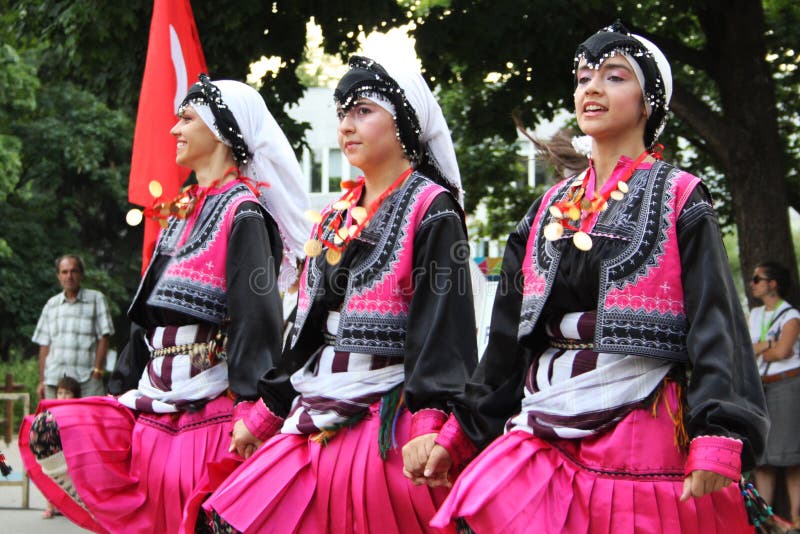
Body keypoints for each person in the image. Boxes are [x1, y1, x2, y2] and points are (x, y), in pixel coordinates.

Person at [420, 21, 768, 533]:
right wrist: (464, 430)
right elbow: (508, 334)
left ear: (649, 103)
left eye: (615, 76)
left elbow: (715, 320)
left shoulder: (680, 197)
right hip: (542, 421)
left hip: (641, 424)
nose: (593, 88)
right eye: (584, 78)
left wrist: (718, 431)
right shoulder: (546, 208)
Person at [200, 55, 478, 533]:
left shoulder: (433, 209)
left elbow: (443, 329)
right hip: (317, 409)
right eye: (342, 113)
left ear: (405, 121)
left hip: (386, 421)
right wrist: (268, 412)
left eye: (364, 111)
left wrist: (430, 421)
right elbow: (306, 331)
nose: (347, 125)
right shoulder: (334, 215)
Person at [19, 74, 309, 533]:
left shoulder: (245, 213)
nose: (175, 129)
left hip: (209, 419)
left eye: (187, 118)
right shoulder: (180, 214)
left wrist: (250, 410)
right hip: (154, 410)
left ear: (221, 131)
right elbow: (145, 322)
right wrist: (119, 395)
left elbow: (256, 320)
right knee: (51, 430)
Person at [749, 261, 800, 526]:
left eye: (757, 279)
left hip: (786, 385)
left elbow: (783, 352)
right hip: (760, 387)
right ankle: (765, 519)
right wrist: (769, 343)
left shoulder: (791, 315)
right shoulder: (755, 314)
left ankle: (796, 519)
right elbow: (746, 348)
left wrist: (765, 348)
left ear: (773, 284)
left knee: (791, 455)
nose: (752, 284)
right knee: (764, 456)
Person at [33, 254, 113, 399]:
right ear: (58, 276)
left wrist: (97, 371)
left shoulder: (96, 299)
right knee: (53, 415)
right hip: (54, 382)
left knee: (91, 414)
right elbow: (44, 345)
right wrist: (42, 381)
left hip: (87, 381)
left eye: (74, 271)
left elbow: (104, 337)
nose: (69, 276)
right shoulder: (51, 304)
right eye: (64, 272)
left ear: (81, 274)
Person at [41, 375, 82, 519]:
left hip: (72, 450)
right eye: (60, 393)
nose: (63, 396)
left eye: (67, 393)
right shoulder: (51, 411)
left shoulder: (79, 411)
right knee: (53, 477)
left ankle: (71, 508)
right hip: (57, 450)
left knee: (72, 481)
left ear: (75, 396)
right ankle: (50, 506)